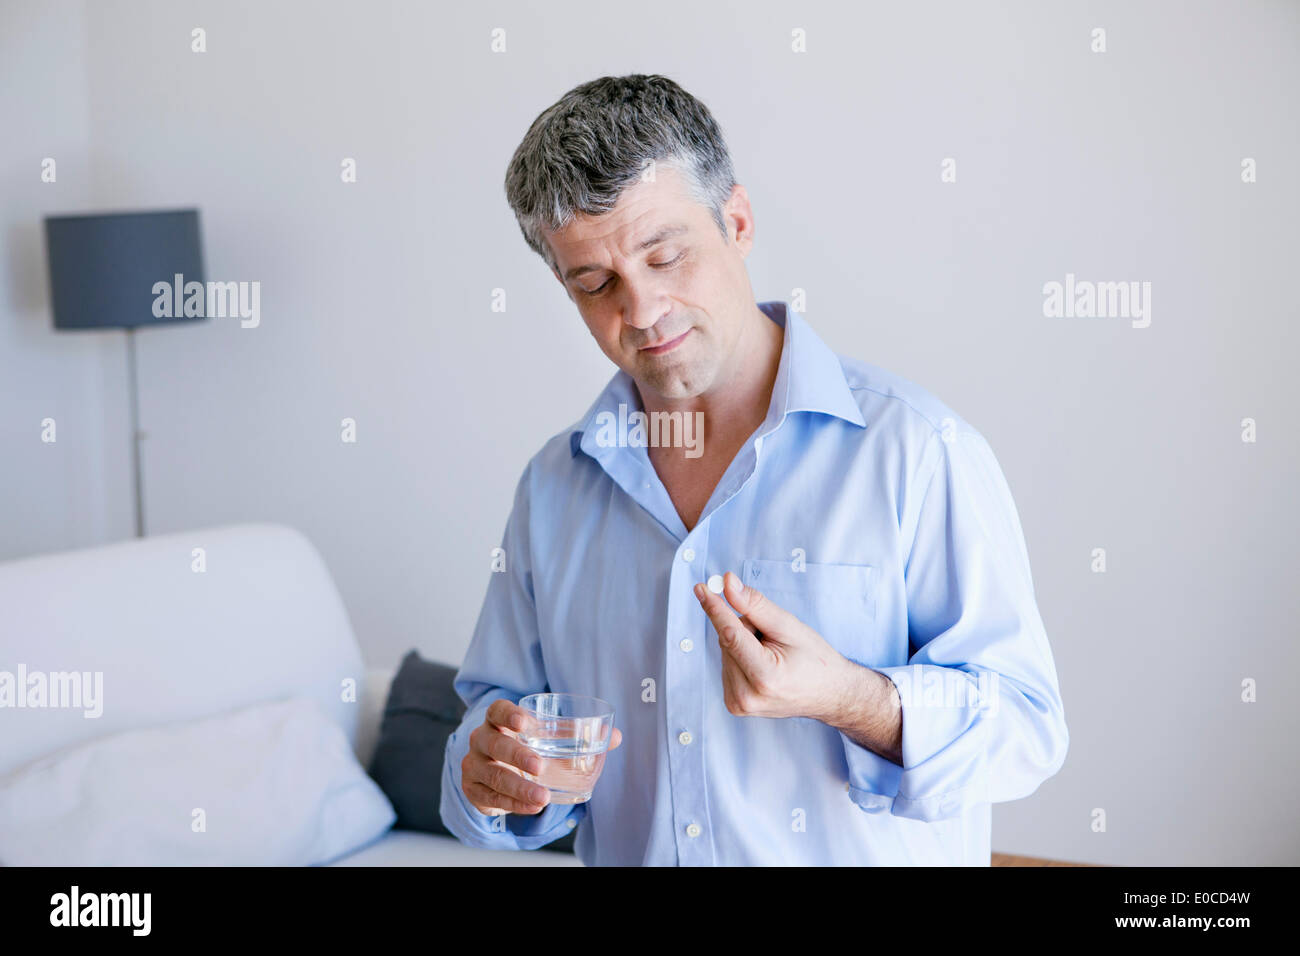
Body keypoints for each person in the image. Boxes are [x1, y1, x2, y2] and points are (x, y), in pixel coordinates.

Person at [439, 73, 1068, 865]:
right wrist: (491, 775)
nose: (641, 311)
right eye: (594, 285)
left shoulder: (916, 451)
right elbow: (492, 723)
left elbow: (1027, 730)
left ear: (736, 220)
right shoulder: (552, 489)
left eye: (666, 255)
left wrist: (853, 699)